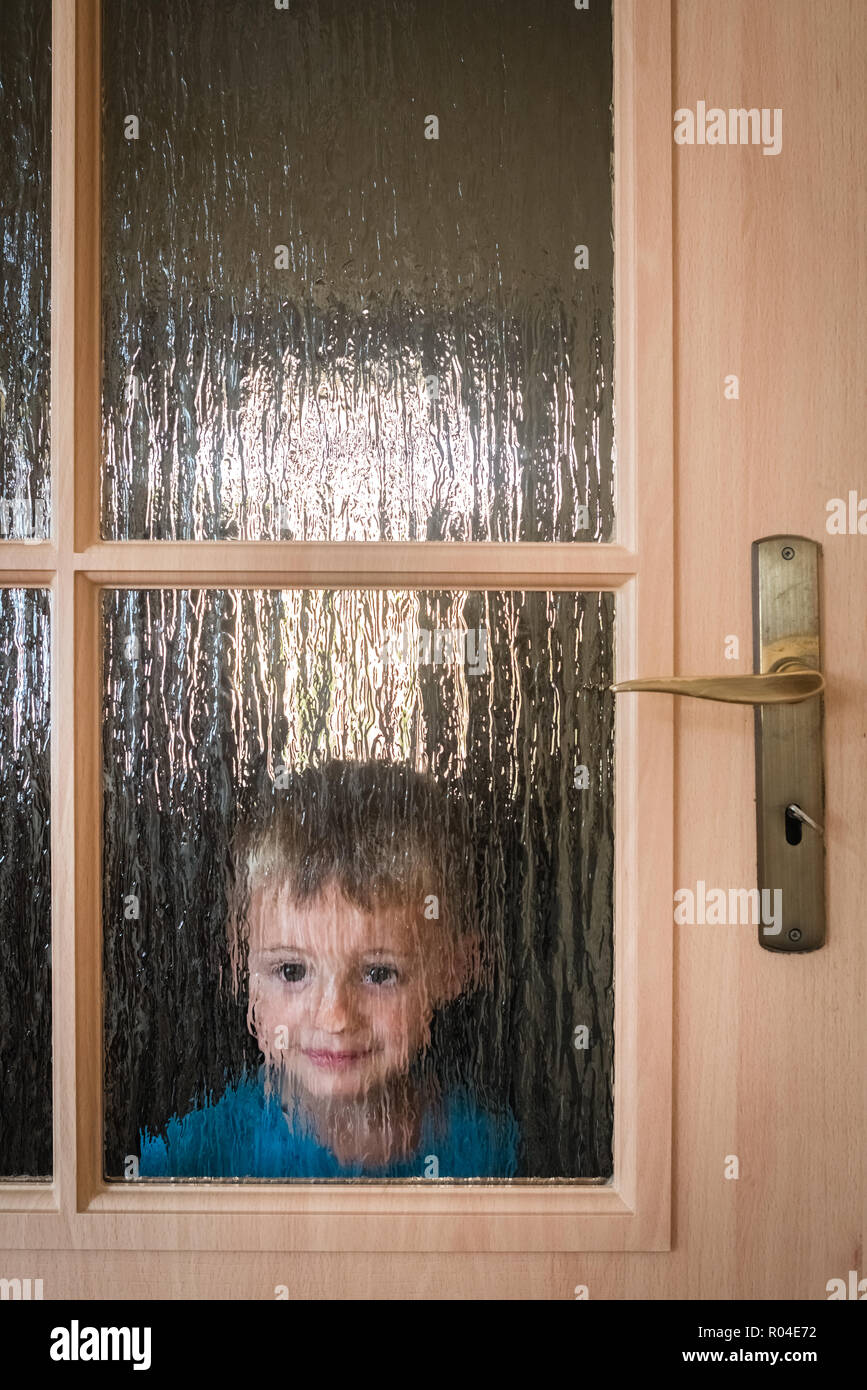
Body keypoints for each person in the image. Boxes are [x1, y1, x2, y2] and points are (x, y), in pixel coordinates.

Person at [138, 759, 518, 1178]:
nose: (334, 1018)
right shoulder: (189, 1160)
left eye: (378, 974)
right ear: (237, 960)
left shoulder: (497, 1154)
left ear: (453, 969)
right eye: (291, 972)